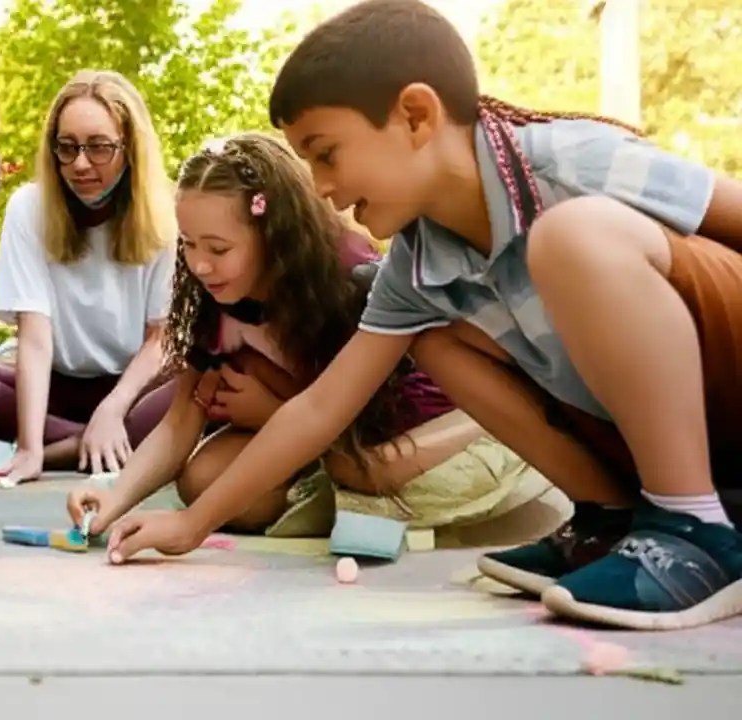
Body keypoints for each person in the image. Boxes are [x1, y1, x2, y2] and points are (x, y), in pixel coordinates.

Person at [106, 0, 742, 631]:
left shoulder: (566, 158)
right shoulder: (415, 266)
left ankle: (692, 526)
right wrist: (190, 525)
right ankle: (610, 517)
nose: (320, 186)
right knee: (435, 337)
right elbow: (321, 409)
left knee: (570, 236)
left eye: (326, 154)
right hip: (684, 437)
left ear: (416, 115)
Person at [67, 132, 531, 539]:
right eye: (188, 244)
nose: (200, 264)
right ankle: (330, 490)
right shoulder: (216, 292)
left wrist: (270, 408)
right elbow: (179, 420)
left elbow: (340, 412)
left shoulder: (347, 281)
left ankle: (491, 426)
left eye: (218, 248)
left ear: (273, 234)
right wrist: (118, 496)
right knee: (202, 480)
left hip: (399, 422)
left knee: (359, 468)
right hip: (314, 424)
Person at [0, 70, 179, 482]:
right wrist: (28, 449)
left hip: (133, 390)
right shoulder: (30, 207)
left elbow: (159, 340)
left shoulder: (166, 213)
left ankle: (71, 443)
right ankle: (89, 445)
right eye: (67, 147)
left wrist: (112, 409)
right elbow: (36, 339)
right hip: (51, 391)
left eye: (99, 147)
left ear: (129, 148)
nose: (80, 163)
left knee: (206, 383)